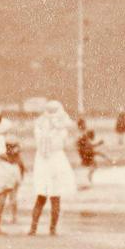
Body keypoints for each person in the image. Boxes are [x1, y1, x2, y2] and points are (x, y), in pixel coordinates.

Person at [28, 99, 76, 234]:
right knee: (55, 196)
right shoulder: (62, 126)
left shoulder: (39, 124)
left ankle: (33, 228)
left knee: (41, 195)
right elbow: (64, 142)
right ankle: (52, 229)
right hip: (56, 159)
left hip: (42, 161)